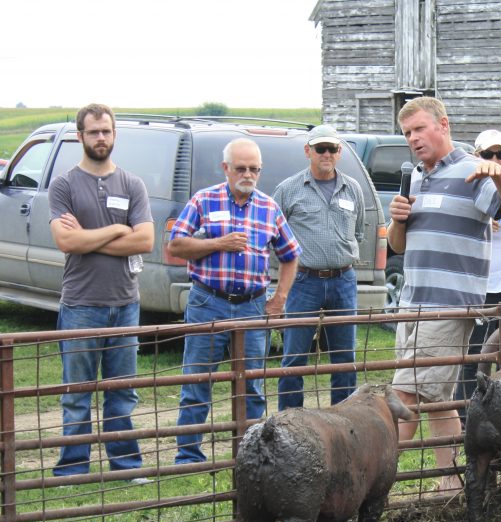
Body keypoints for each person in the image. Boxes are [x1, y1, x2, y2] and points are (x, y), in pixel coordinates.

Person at [387, 97, 501, 494]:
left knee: (406, 393)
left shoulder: (473, 171)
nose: (413, 138)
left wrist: (497, 173)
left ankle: (370, 479)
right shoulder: (413, 177)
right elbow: (398, 245)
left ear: (443, 125)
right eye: (407, 133)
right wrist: (397, 220)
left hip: (449, 303)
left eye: (419, 129)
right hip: (411, 300)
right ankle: (451, 482)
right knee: (438, 396)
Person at [168, 138, 301, 464]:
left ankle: (251, 455)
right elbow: (176, 245)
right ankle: (188, 456)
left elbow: (290, 255)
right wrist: (219, 243)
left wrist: (279, 298)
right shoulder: (203, 200)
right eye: (241, 168)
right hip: (208, 301)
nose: (248, 174)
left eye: (254, 169)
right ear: (225, 168)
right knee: (197, 380)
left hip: (253, 305)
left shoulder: (269, 207)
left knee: (252, 385)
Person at [48, 103, 155, 479]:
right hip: (80, 304)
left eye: (106, 131)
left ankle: (126, 467)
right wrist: (116, 230)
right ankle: (73, 470)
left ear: (114, 135)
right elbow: (66, 241)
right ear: (80, 136)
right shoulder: (63, 185)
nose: (100, 138)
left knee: (122, 391)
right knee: (77, 393)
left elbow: (145, 240)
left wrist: (87, 237)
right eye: (93, 132)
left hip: (125, 304)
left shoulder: (132, 184)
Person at [272, 125, 364, 409]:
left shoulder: (353, 188)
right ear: (307, 151)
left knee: (344, 358)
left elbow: (358, 232)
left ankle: (345, 423)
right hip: (304, 281)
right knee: (294, 358)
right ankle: (290, 423)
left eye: (332, 149)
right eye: (320, 148)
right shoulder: (288, 190)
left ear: (339, 153)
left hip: (344, 280)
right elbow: (273, 236)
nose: (326, 154)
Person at [453, 129, 501, 420]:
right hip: (485, 283)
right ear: (477, 156)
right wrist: (485, 223)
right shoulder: (474, 188)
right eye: (488, 154)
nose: (496, 159)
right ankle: (468, 419)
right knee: (475, 355)